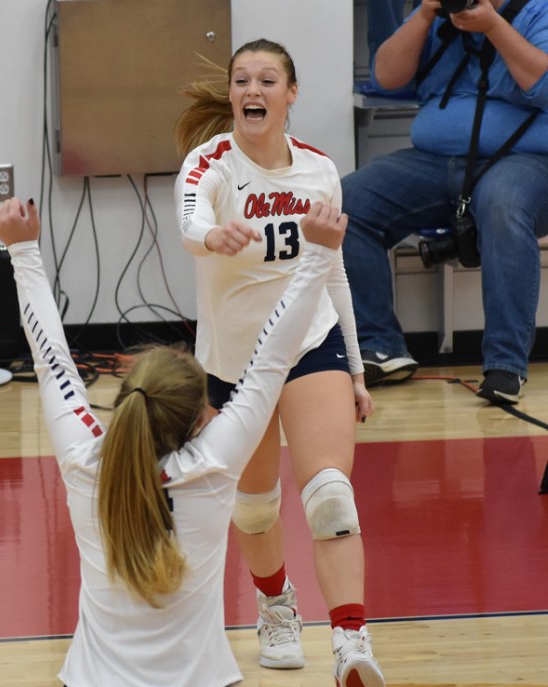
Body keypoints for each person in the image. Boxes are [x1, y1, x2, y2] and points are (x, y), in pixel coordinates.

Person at [0, 195, 347, 687]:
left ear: (126, 399)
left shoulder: (85, 460)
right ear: (201, 419)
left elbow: (50, 360)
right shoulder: (214, 464)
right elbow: (271, 360)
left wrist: (23, 250)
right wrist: (317, 255)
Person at [175, 40, 384, 686]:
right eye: (242, 80)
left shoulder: (319, 170)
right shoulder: (210, 163)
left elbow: (335, 273)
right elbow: (189, 219)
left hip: (309, 345)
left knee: (330, 497)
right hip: (233, 363)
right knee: (255, 508)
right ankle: (275, 606)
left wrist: (355, 369)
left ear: (291, 94)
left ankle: (351, 641)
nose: (252, 90)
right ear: (232, 95)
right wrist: (212, 235)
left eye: (267, 80)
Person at [341, 0, 548, 403]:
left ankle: (505, 365)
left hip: (523, 160)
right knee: (348, 203)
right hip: (434, 160)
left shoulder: (537, 10)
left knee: (503, 205)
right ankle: (380, 346)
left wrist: (493, 25)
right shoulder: (438, 15)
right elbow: (386, 77)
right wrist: (424, 15)